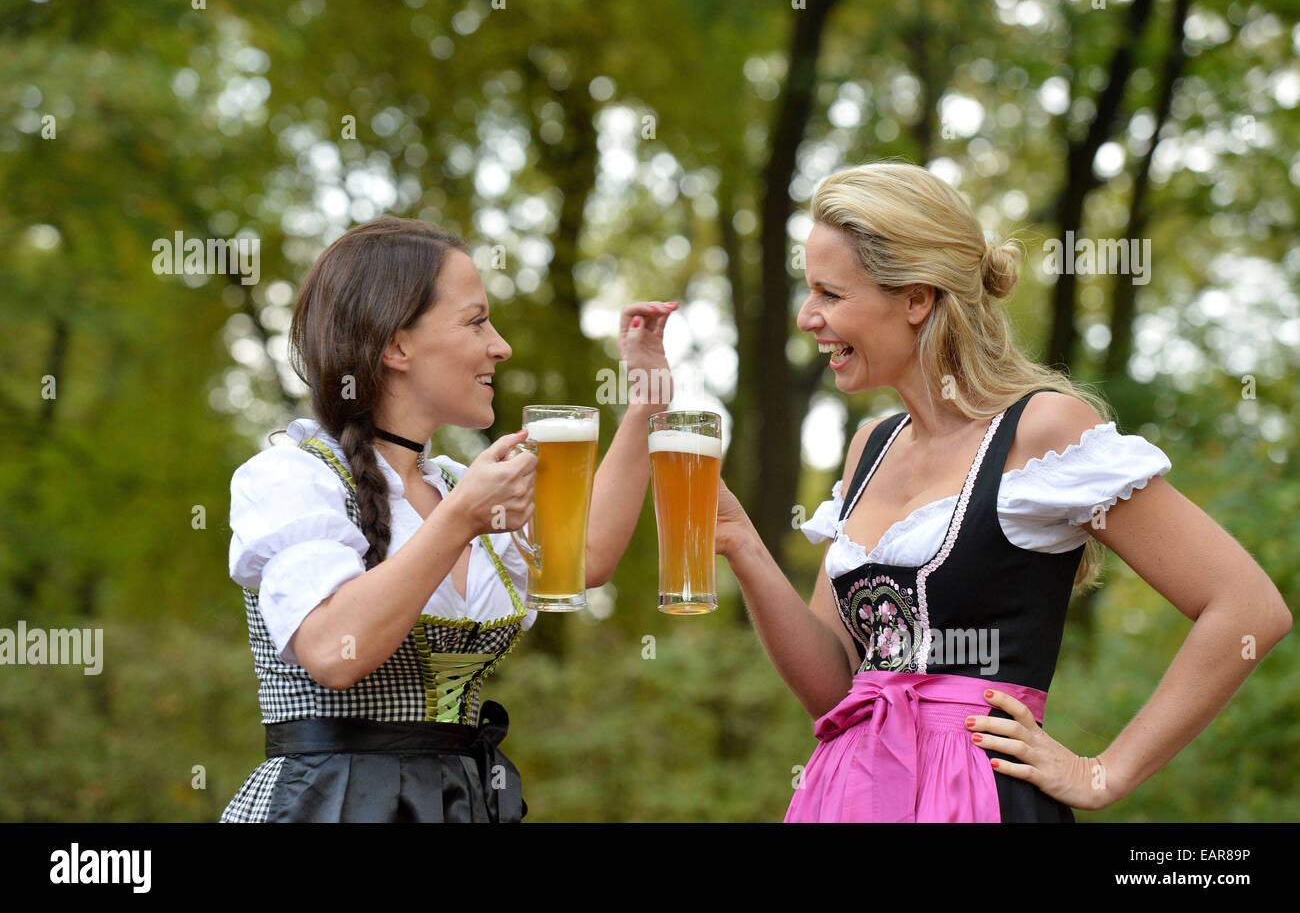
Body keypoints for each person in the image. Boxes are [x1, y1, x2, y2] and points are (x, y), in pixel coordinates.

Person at [714, 162, 1291, 822]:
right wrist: (742, 545)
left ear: (916, 298)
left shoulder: (1040, 431)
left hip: (980, 800)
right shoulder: (868, 447)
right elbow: (835, 690)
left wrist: (1105, 771)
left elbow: (1247, 607)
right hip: (851, 794)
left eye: (829, 293)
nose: (806, 316)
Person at [221, 216, 675, 822]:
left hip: (459, 804)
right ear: (396, 345)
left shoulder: (460, 487)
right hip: (326, 804)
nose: (501, 345)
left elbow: (584, 561)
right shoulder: (291, 477)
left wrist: (646, 401)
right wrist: (459, 519)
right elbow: (333, 650)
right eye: (476, 320)